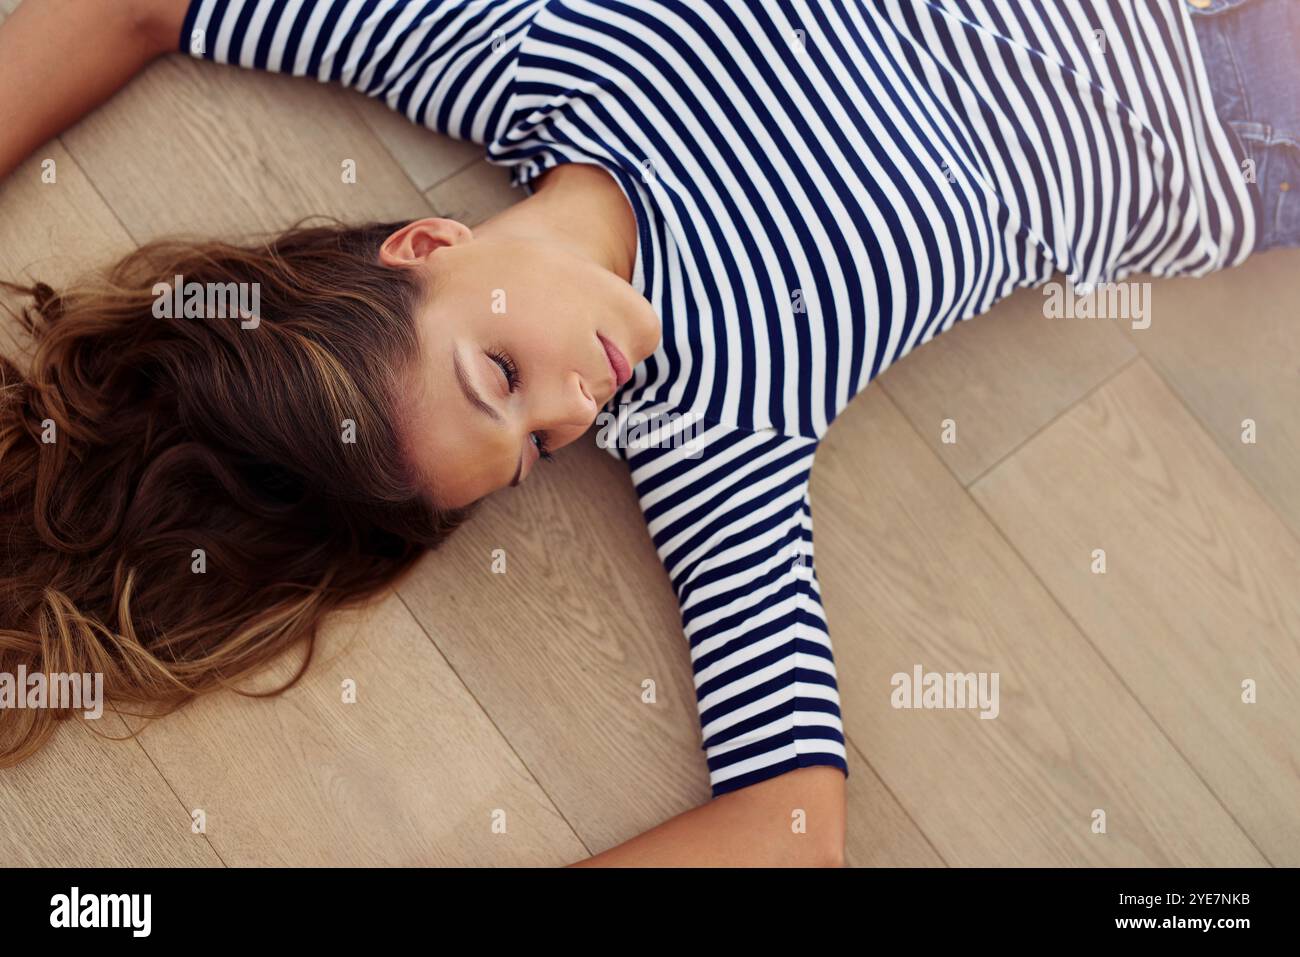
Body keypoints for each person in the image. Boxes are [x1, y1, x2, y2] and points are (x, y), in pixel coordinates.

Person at [0, 0, 1294, 866]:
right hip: (1238, 114)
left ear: (429, 246)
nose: (575, 409)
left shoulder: (534, 54)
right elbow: (792, 828)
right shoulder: (716, 419)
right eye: (538, 450)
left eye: (497, 371)